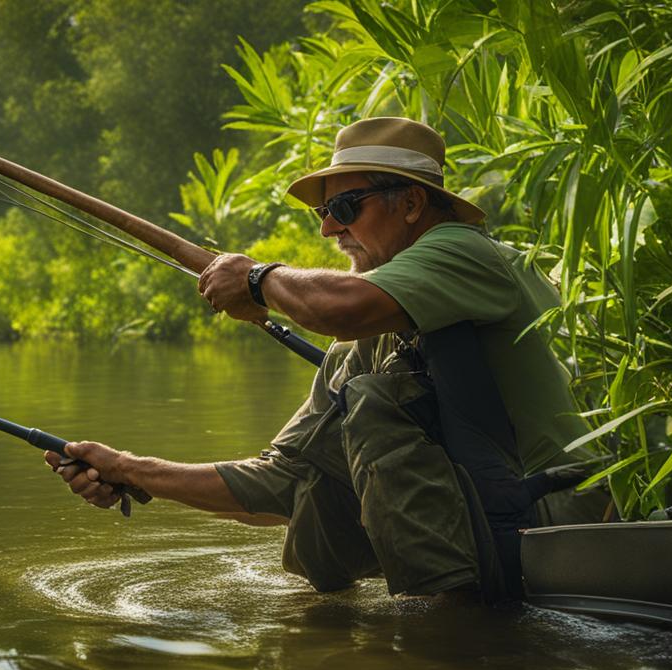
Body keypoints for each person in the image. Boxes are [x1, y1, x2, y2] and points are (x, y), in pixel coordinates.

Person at [46, 117, 610, 601]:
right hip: (494, 538)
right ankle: (440, 622)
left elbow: (338, 306)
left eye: (344, 207)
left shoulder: (465, 251)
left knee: (371, 403)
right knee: (326, 465)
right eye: (323, 210)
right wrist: (130, 469)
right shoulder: (364, 336)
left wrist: (257, 279)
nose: (328, 228)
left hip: (560, 527)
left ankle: (448, 638)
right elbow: (284, 483)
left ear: (412, 203)